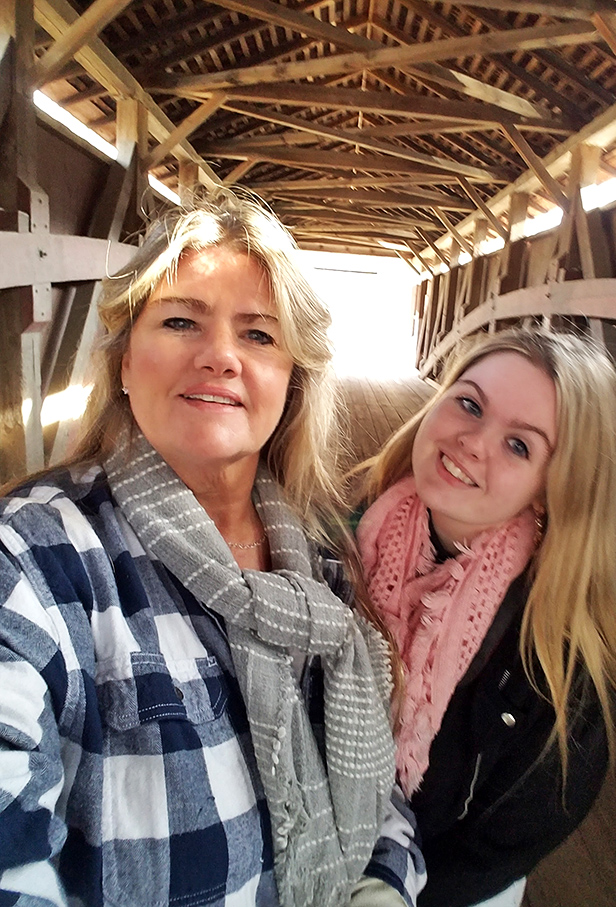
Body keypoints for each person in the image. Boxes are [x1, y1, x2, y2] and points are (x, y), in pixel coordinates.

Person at [0, 192, 423, 907]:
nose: (220, 355)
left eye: (259, 335)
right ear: (126, 361)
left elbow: (378, 786)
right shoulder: (37, 561)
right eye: (179, 321)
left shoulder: (318, 560)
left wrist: (384, 883)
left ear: (291, 383)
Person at [354, 328, 616, 907]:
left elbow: (501, 847)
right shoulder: (344, 540)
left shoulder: (562, 667)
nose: (474, 442)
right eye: (470, 404)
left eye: (520, 446)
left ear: (552, 491)